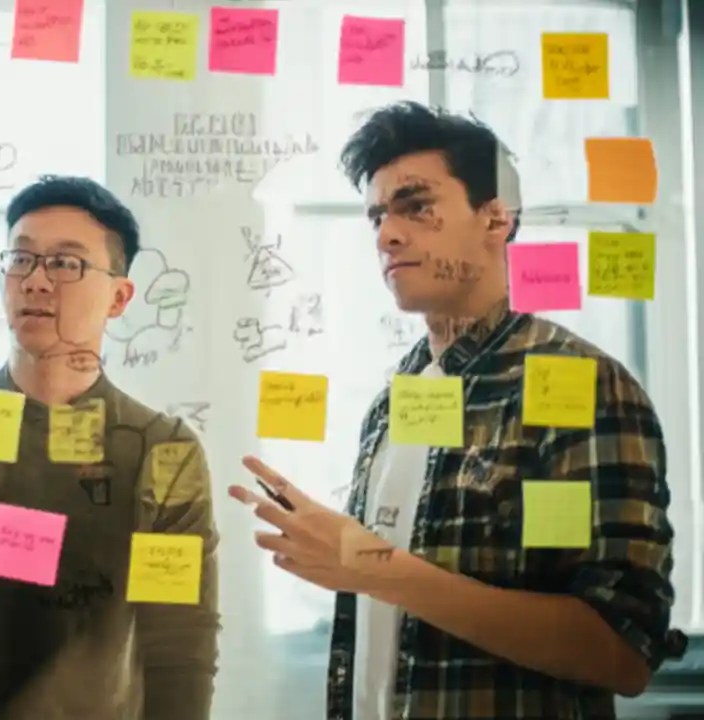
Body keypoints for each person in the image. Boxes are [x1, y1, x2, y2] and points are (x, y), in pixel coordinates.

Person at [229, 101, 680, 720]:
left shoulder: (576, 382)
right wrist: (357, 560)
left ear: (497, 218)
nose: (387, 234)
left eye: (416, 206)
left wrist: (370, 564)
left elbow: (620, 652)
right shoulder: (400, 395)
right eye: (377, 215)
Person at [0, 176, 221, 719]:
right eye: (21, 259)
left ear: (119, 297)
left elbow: (177, 641)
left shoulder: (159, 449)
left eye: (65, 264)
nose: (35, 281)